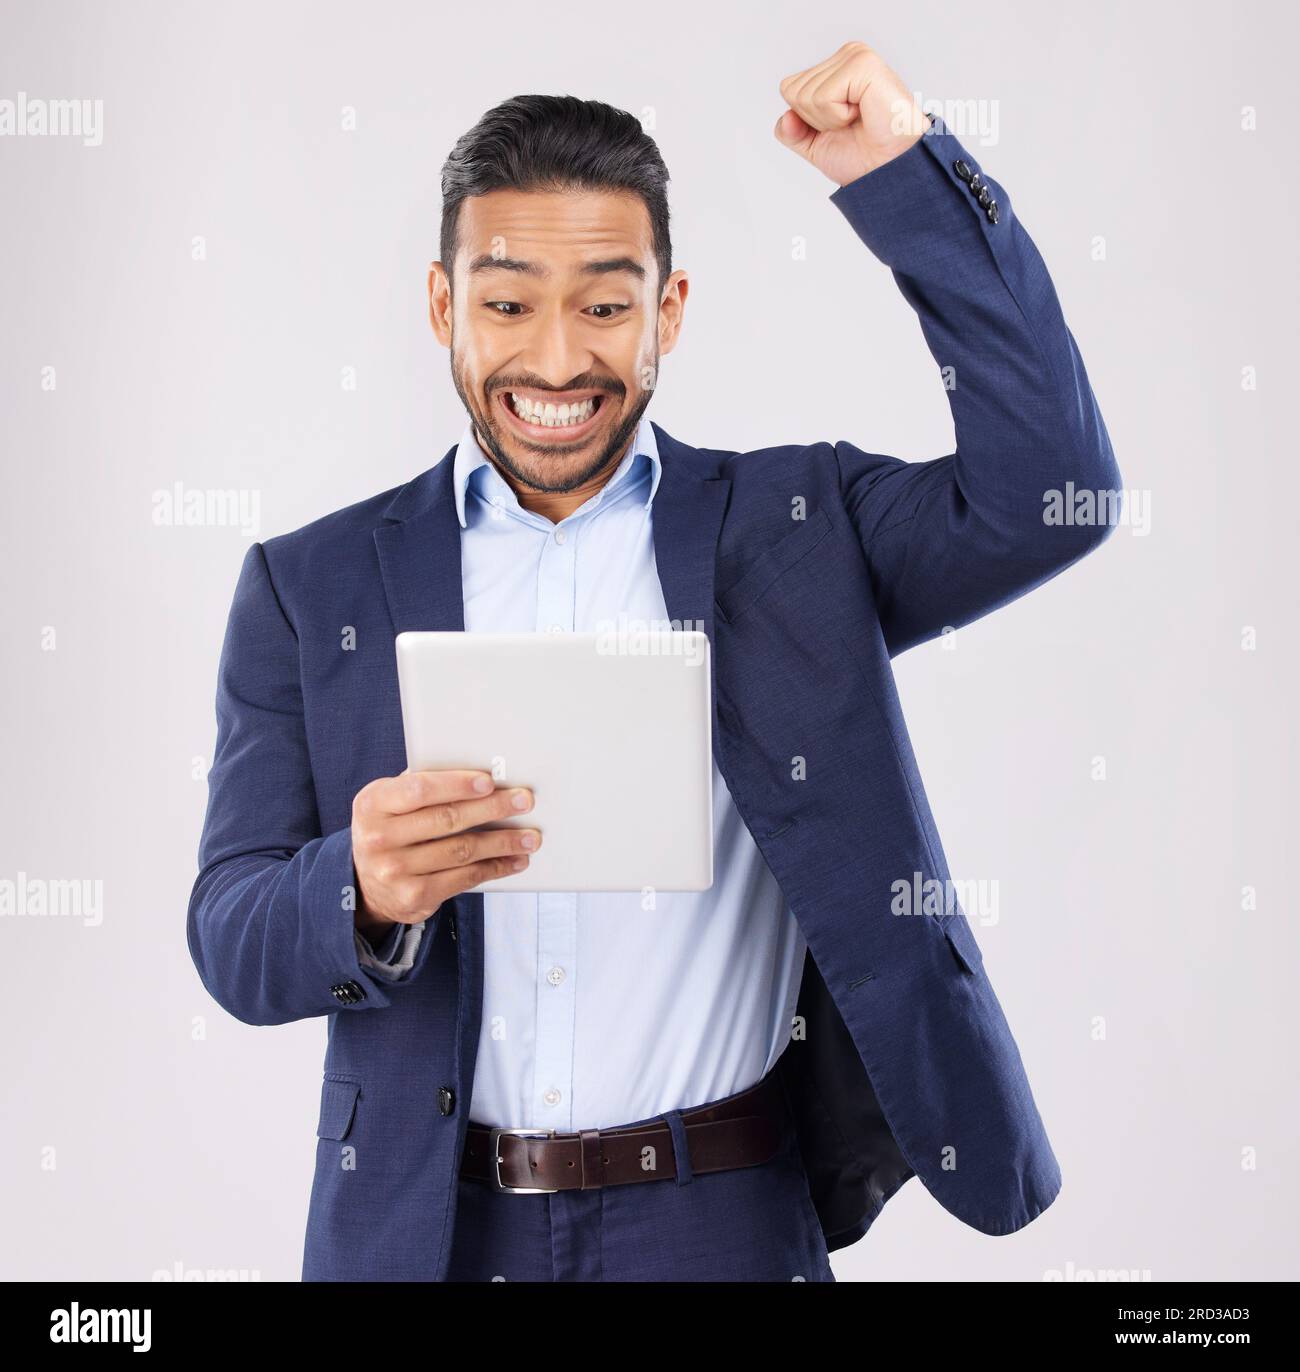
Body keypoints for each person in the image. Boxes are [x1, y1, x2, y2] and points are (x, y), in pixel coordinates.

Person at [187, 40, 1121, 1282]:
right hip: (430, 1233)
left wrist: (904, 172)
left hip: (721, 1214)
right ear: (441, 306)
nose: (559, 360)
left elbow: (1052, 488)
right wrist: (356, 887)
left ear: (667, 311)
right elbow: (230, 931)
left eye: (608, 304)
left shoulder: (799, 532)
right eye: (508, 302)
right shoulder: (310, 587)